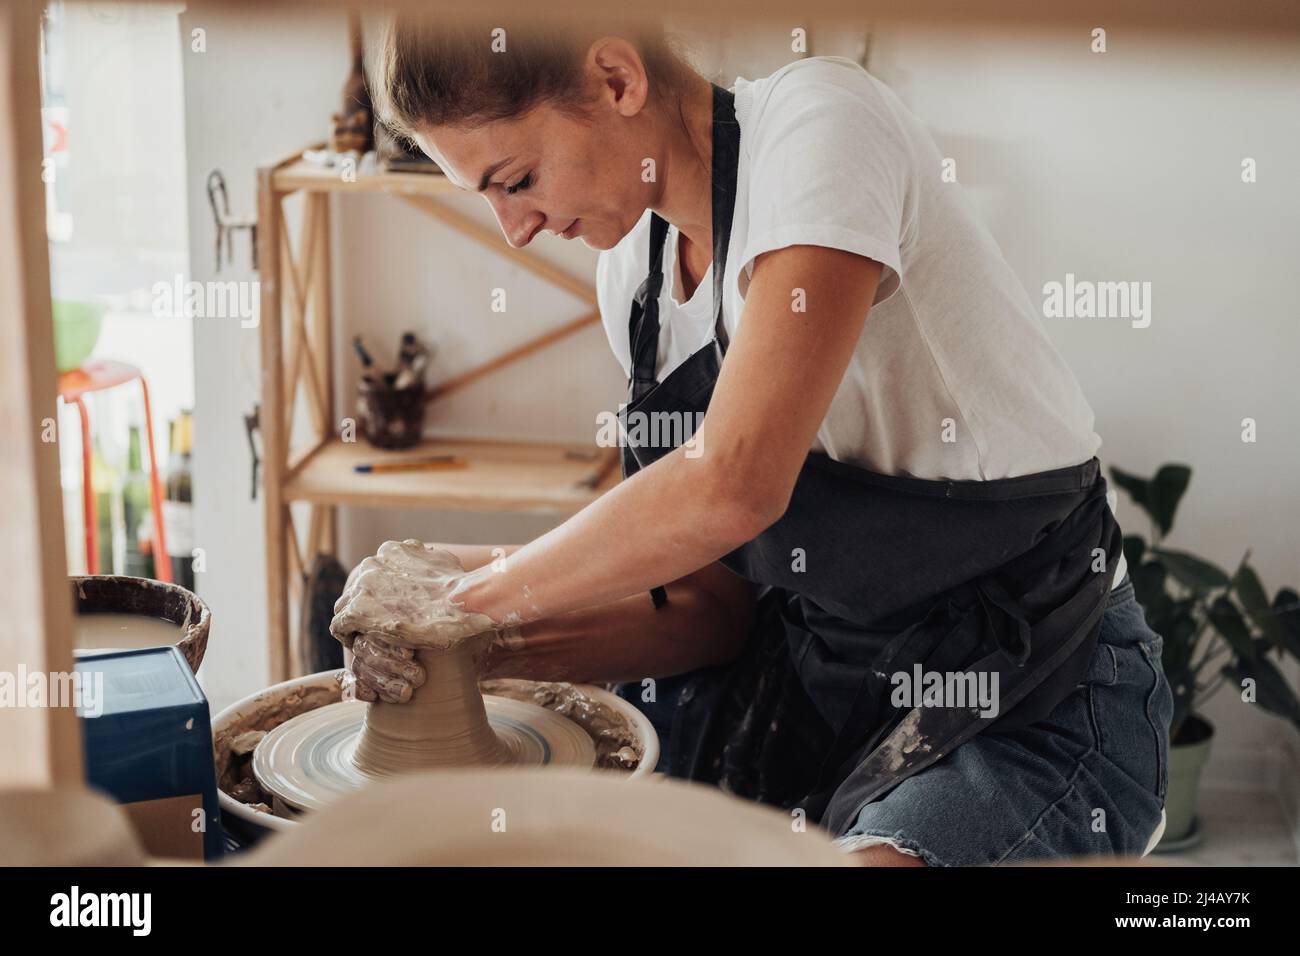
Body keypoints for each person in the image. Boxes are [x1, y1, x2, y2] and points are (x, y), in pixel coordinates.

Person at [333, 15, 1174, 866]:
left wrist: (473, 596)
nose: (514, 227)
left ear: (618, 79)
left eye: (515, 179)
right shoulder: (637, 279)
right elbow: (705, 613)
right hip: (823, 690)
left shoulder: (822, 125)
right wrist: (459, 635)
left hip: (1033, 687)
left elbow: (733, 484)